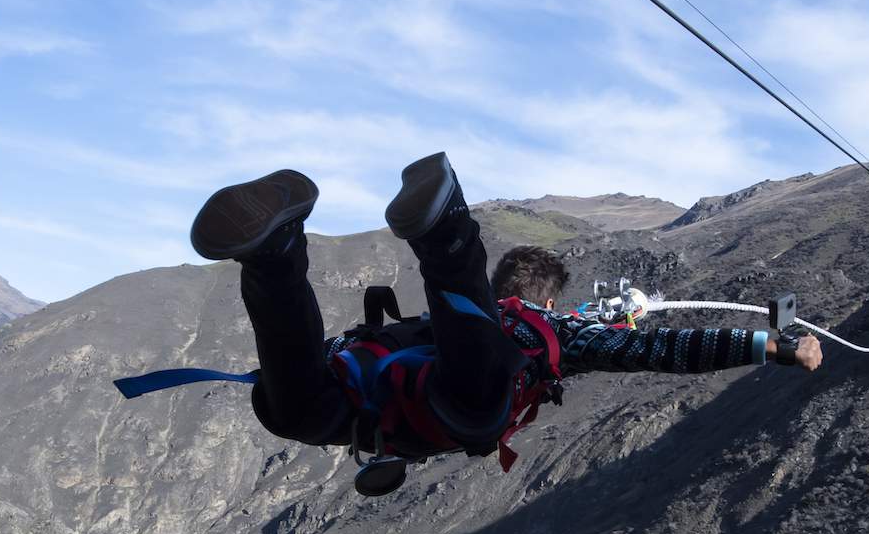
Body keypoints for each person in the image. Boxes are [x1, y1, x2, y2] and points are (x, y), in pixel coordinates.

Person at [186, 152, 822, 489]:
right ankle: (448, 234)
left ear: (503, 288)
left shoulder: (463, 326)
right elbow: (670, 351)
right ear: (546, 299)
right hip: (421, 414)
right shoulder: (557, 333)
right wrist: (771, 345)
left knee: (291, 403)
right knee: (480, 401)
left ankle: (274, 256)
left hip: (367, 400)